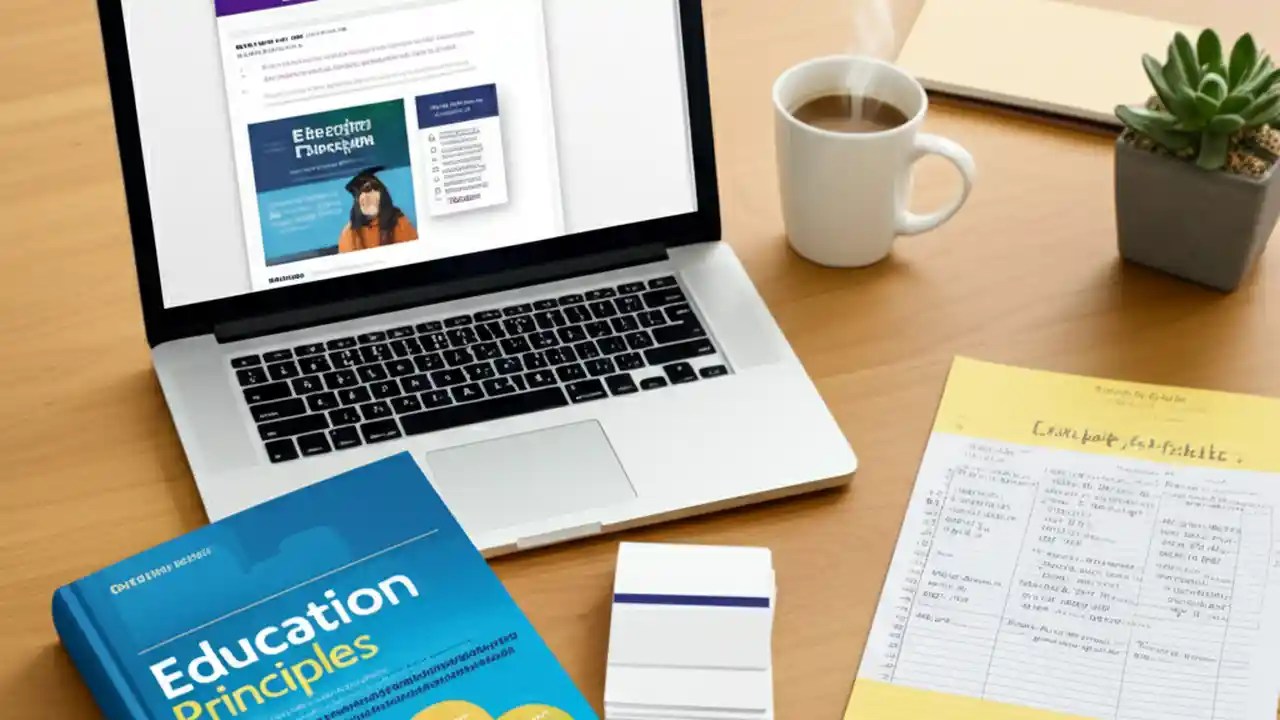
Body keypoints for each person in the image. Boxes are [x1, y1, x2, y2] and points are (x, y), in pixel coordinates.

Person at [337, 166, 419, 253]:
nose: (367, 197)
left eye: (372, 190)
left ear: (382, 196)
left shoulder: (399, 223)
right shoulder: (350, 232)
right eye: (361, 194)